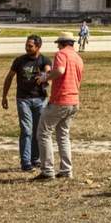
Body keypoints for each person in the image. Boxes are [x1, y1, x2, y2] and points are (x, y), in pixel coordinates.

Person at [34, 31, 84, 180]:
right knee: (63, 135)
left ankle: (47, 170)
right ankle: (66, 170)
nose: (58, 47)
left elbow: (60, 71)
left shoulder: (61, 54)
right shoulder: (78, 57)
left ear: (61, 43)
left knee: (43, 133)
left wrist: (45, 77)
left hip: (60, 100)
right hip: (74, 101)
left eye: (58, 44)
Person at [1, 35, 51, 171]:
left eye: (30, 46)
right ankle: (25, 162)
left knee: (37, 131)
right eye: (26, 45)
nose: (27, 48)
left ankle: (35, 159)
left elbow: (48, 72)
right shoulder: (19, 61)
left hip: (40, 99)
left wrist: (45, 76)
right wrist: (4, 96)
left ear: (38, 47)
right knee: (26, 130)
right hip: (23, 100)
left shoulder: (44, 60)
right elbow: (9, 77)